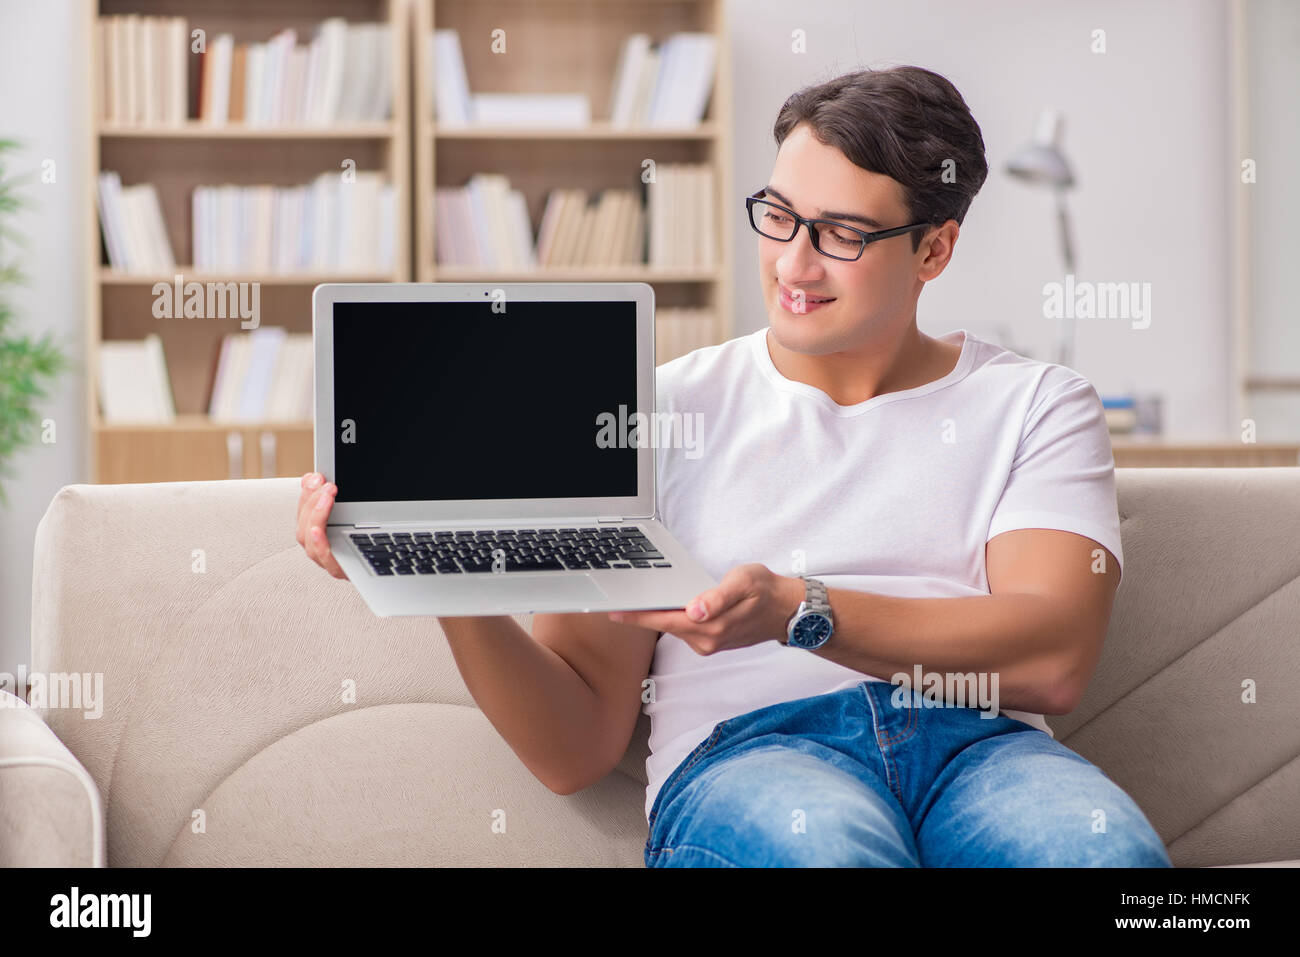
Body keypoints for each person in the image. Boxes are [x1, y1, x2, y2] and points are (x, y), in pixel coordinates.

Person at [297, 65, 1172, 868]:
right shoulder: (649, 413)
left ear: (934, 250)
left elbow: (1054, 653)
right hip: (753, 752)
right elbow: (574, 747)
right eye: (781, 216)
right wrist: (444, 583)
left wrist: (798, 609)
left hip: (979, 748)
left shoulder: (1036, 404)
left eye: (841, 235)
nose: (793, 264)